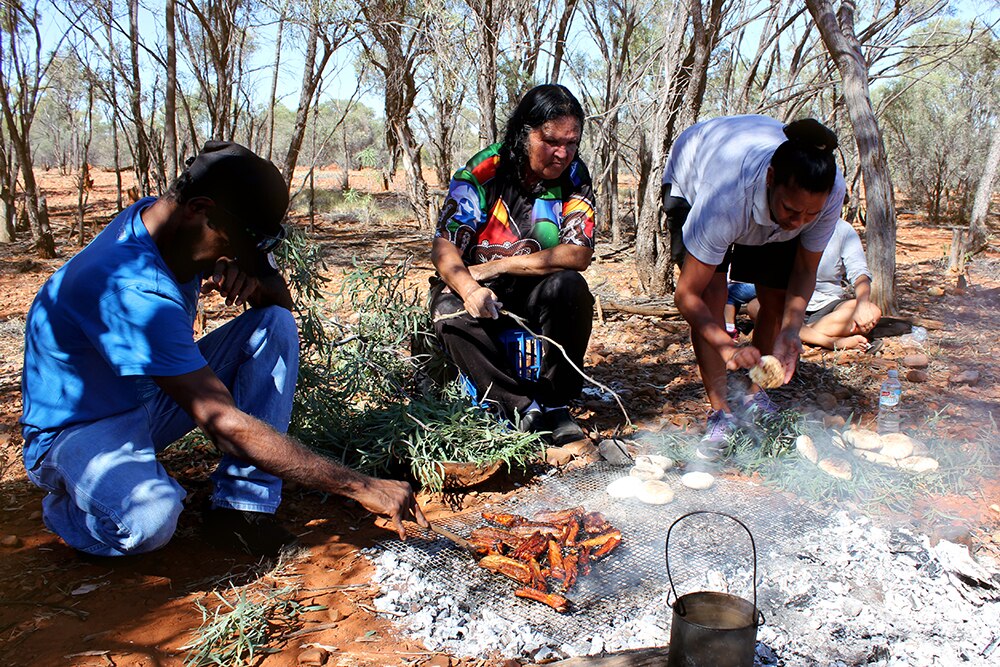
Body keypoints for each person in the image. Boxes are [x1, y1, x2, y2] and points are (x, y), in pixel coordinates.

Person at [19, 141, 428, 558]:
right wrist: (360, 485)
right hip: (78, 429)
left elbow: (280, 302)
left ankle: (241, 507)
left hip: (146, 399)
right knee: (150, 522)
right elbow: (225, 424)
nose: (237, 256)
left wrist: (246, 275)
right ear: (199, 209)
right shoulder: (130, 288)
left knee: (273, 323)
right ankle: (73, 504)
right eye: (236, 243)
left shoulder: (160, 219)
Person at [662, 115, 846, 459]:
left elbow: (805, 269)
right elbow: (687, 295)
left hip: (758, 194)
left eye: (811, 215)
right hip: (695, 177)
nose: (799, 223)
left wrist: (792, 331)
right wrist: (726, 347)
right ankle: (722, 415)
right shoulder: (726, 199)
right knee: (712, 296)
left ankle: (752, 396)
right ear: (771, 179)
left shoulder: (829, 191)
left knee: (775, 297)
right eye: (792, 210)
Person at [430, 84, 596, 446]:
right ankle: (519, 406)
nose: (562, 153)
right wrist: (471, 288)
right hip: (479, 290)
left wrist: (496, 267)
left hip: (533, 289)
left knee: (569, 287)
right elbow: (445, 246)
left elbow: (577, 253)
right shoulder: (485, 170)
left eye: (572, 142)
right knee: (448, 311)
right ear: (525, 133)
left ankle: (555, 402)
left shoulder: (575, 177)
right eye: (551, 141)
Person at [746, 218, 882, 351]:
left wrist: (862, 304)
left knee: (873, 311)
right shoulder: (789, 223)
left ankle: (797, 332)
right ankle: (829, 341)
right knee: (755, 307)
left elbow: (859, 272)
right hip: (788, 303)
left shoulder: (843, 230)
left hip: (828, 304)